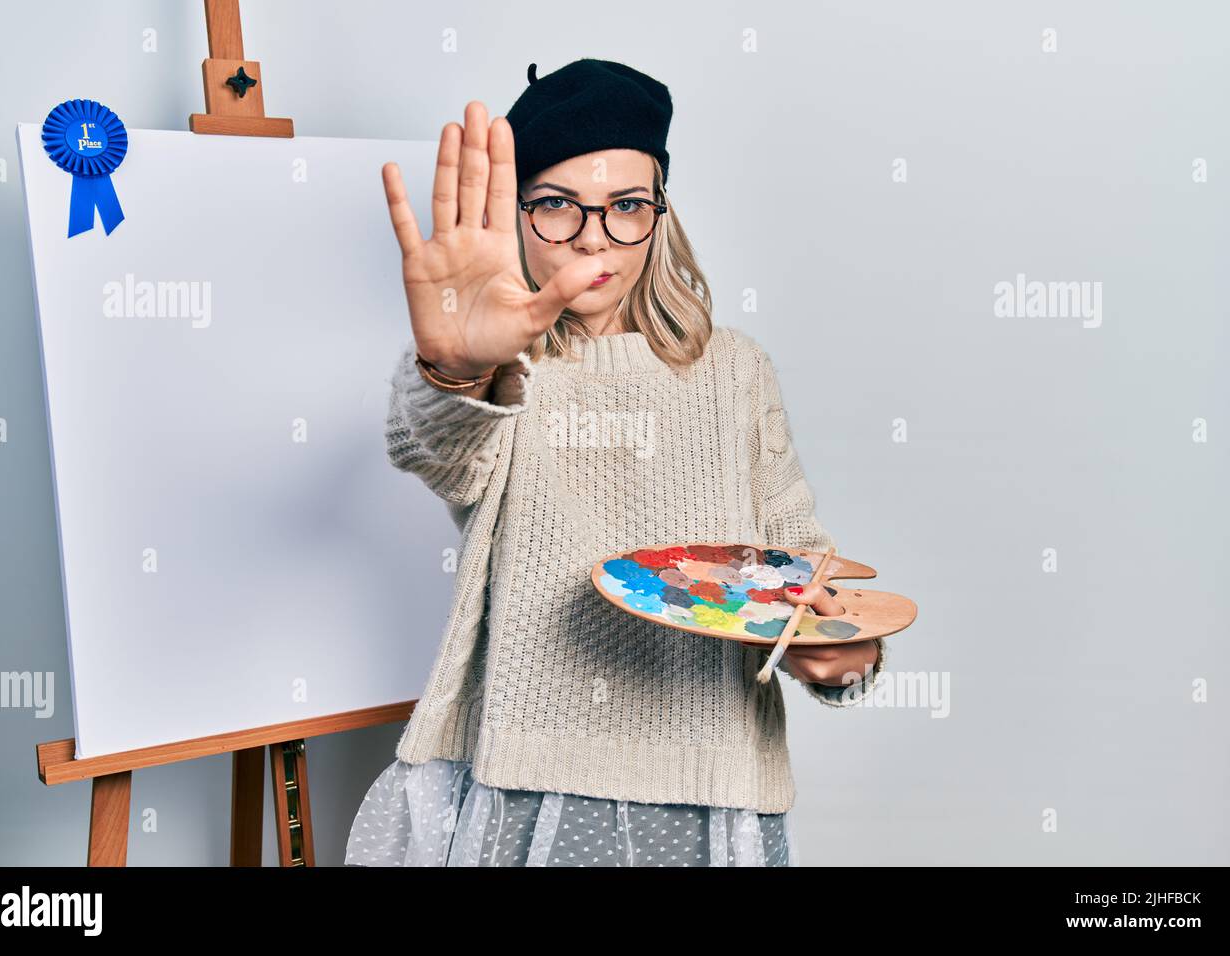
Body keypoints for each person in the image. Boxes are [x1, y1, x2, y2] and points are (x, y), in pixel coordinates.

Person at [345, 59, 886, 867]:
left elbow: (797, 568)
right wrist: (456, 369)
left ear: (660, 214)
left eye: (626, 206)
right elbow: (435, 448)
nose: (594, 235)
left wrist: (843, 653)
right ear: (514, 213)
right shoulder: (508, 371)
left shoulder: (736, 371)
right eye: (558, 205)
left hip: (712, 779)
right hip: (530, 773)